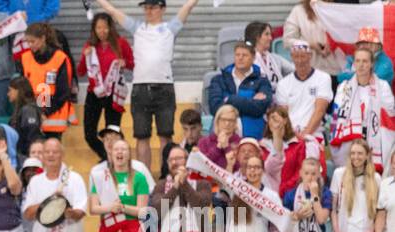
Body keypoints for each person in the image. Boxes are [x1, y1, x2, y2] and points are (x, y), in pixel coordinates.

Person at [94, 0, 202, 172]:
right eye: (146, 8)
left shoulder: (170, 28)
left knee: (165, 135)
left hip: (164, 88)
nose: (149, 11)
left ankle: (166, 177)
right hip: (141, 89)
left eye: (153, 7)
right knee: (142, 136)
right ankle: (145, 177)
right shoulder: (137, 28)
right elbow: (112, 10)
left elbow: (187, 6)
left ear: (163, 9)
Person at [330, 44, 395, 173]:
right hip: (350, 140)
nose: (361, 65)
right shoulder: (344, 87)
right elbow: (337, 116)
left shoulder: (382, 86)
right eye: (358, 61)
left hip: (375, 137)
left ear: (372, 64)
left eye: (365, 61)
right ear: (354, 64)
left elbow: (390, 113)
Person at [79, 12, 134, 163]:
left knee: (113, 132)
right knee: (89, 134)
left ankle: (119, 158)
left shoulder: (121, 43)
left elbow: (132, 64)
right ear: (94, 29)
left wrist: (124, 63)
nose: (102, 31)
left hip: (113, 93)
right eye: (98, 28)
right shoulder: (90, 45)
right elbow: (81, 71)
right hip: (94, 93)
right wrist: (85, 56)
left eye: (105, 27)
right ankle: (107, 157)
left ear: (111, 28)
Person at [22, 137, 87, 232]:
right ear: (42, 156)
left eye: (55, 152)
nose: (50, 155)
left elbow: (80, 212)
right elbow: (28, 215)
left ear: (62, 155)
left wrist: (69, 213)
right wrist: (49, 202)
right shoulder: (35, 181)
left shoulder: (75, 178)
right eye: (47, 152)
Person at [209, 42, 274, 141]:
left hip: (252, 137)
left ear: (253, 58)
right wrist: (249, 101)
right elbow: (215, 107)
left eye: (244, 55)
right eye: (237, 55)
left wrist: (229, 99)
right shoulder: (219, 80)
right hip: (222, 137)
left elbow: (259, 108)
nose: (240, 58)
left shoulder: (262, 81)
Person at [89, 139, 150, 232]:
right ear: (111, 154)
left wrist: (122, 208)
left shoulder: (139, 177)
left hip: (132, 231)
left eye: (123, 149)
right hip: (109, 229)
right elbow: (93, 209)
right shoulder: (102, 177)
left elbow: (143, 211)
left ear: (129, 154)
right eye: (116, 149)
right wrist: (110, 208)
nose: (119, 152)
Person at [275, 41, 332, 147]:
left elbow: (320, 110)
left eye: (303, 56)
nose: (300, 61)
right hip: (290, 137)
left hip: (314, 136)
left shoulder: (323, 78)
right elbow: (283, 114)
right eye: (296, 57)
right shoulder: (283, 83)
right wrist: (293, 136)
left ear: (310, 56)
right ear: (291, 57)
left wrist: (304, 135)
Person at [154, 145, 213, 232]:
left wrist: (184, 183)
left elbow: (201, 206)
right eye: (170, 160)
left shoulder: (202, 184)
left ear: (188, 160)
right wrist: (175, 187)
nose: (174, 162)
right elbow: (157, 210)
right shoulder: (161, 185)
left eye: (178, 158)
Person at [283, 0, 345, 77]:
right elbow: (287, 41)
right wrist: (309, 45)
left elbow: (347, 36)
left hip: (335, 70)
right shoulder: (298, 11)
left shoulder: (335, 8)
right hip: (309, 71)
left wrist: (333, 45)